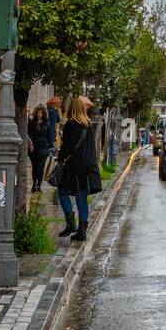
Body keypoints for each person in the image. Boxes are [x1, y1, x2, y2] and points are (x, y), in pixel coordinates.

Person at [56, 95, 102, 241]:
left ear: (72, 108)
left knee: (62, 192)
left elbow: (67, 148)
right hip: (88, 167)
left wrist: (60, 156)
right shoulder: (87, 124)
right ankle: (82, 230)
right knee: (82, 197)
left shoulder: (70, 125)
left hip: (74, 167)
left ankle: (71, 223)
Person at [27, 104, 54, 192]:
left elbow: (50, 136)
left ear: (44, 114)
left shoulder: (47, 123)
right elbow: (29, 134)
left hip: (44, 148)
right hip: (33, 148)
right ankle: (34, 183)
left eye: (41, 113)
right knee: (35, 167)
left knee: (41, 167)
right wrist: (30, 144)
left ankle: (39, 184)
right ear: (36, 113)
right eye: (38, 112)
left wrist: (52, 147)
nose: (39, 114)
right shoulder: (31, 122)